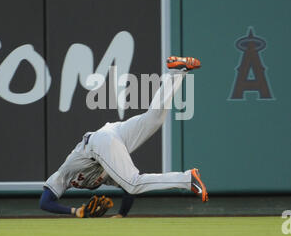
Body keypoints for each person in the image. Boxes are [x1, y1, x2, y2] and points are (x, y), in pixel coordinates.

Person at [40, 56, 208, 218]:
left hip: (98, 144)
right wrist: (121, 215)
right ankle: (178, 72)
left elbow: (45, 202)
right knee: (154, 119)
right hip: (111, 134)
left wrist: (75, 211)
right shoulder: (108, 178)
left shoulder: (62, 174)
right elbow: (127, 190)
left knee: (134, 182)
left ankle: (187, 179)